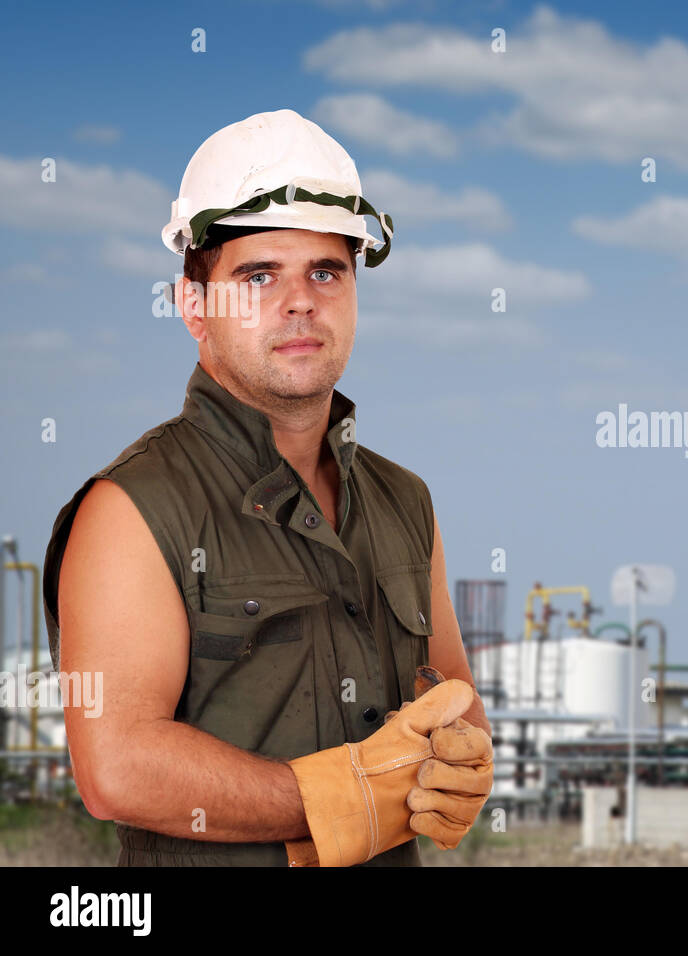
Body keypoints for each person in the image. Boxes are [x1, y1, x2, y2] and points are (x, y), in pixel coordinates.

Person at [41, 109, 492, 866]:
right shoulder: (132, 509)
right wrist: (333, 799)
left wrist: (464, 754)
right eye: (258, 276)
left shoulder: (403, 501)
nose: (300, 302)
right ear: (194, 304)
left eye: (326, 271)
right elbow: (116, 768)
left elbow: (452, 695)